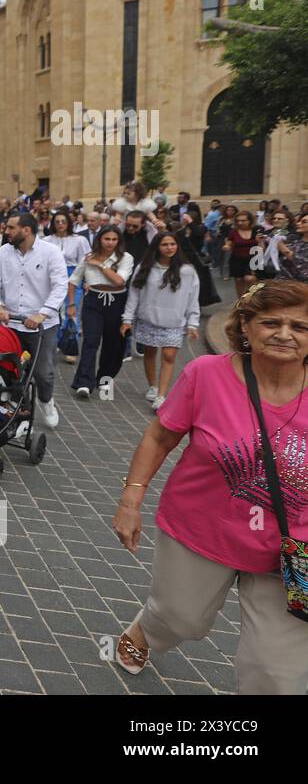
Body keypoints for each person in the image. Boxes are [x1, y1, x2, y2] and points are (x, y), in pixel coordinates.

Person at [112, 280, 308, 693]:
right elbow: (159, 438)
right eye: (271, 322)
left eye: (300, 327)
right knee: (182, 618)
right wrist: (132, 498)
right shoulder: (206, 375)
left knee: (278, 672)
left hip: (292, 551)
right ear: (246, 327)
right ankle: (148, 630)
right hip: (201, 530)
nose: (285, 334)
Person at [0, 213, 65, 429]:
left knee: (43, 373)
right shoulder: (3, 252)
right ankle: (22, 406)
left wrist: (42, 314)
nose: (6, 231)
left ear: (26, 230)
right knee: (11, 369)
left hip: (43, 325)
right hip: (11, 323)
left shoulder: (51, 253)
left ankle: (46, 401)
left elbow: (60, 287)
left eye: (11, 228)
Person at [121, 232, 201, 411]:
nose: (170, 248)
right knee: (150, 352)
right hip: (148, 319)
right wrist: (127, 319)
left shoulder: (187, 271)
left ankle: (161, 396)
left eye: (173, 244)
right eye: (165, 244)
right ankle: (152, 386)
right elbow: (134, 293)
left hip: (175, 321)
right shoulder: (145, 267)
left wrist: (192, 323)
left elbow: (193, 297)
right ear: (157, 246)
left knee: (169, 356)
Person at [67, 226, 132, 399]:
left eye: (114, 239)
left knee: (114, 346)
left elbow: (119, 281)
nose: (110, 243)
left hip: (117, 302)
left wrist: (102, 265)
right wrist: (71, 304)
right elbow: (73, 280)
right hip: (93, 302)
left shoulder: (125, 258)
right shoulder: (88, 258)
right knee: (90, 341)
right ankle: (84, 383)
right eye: (106, 239)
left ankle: (105, 383)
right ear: (99, 240)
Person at [41, 211, 91, 363]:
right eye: (57, 221)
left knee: (71, 311)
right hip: (52, 276)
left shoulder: (79, 240)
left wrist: (87, 280)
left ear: (68, 223)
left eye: (63, 221)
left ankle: (71, 347)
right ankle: (55, 342)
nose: (60, 224)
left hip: (73, 275)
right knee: (53, 310)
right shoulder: (46, 240)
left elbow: (86, 261)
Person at [276, 212, 308, 282]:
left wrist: (284, 249)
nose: (298, 223)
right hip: (281, 281)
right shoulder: (293, 239)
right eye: (299, 221)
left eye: (304, 222)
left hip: (299, 286)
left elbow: (303, 266)